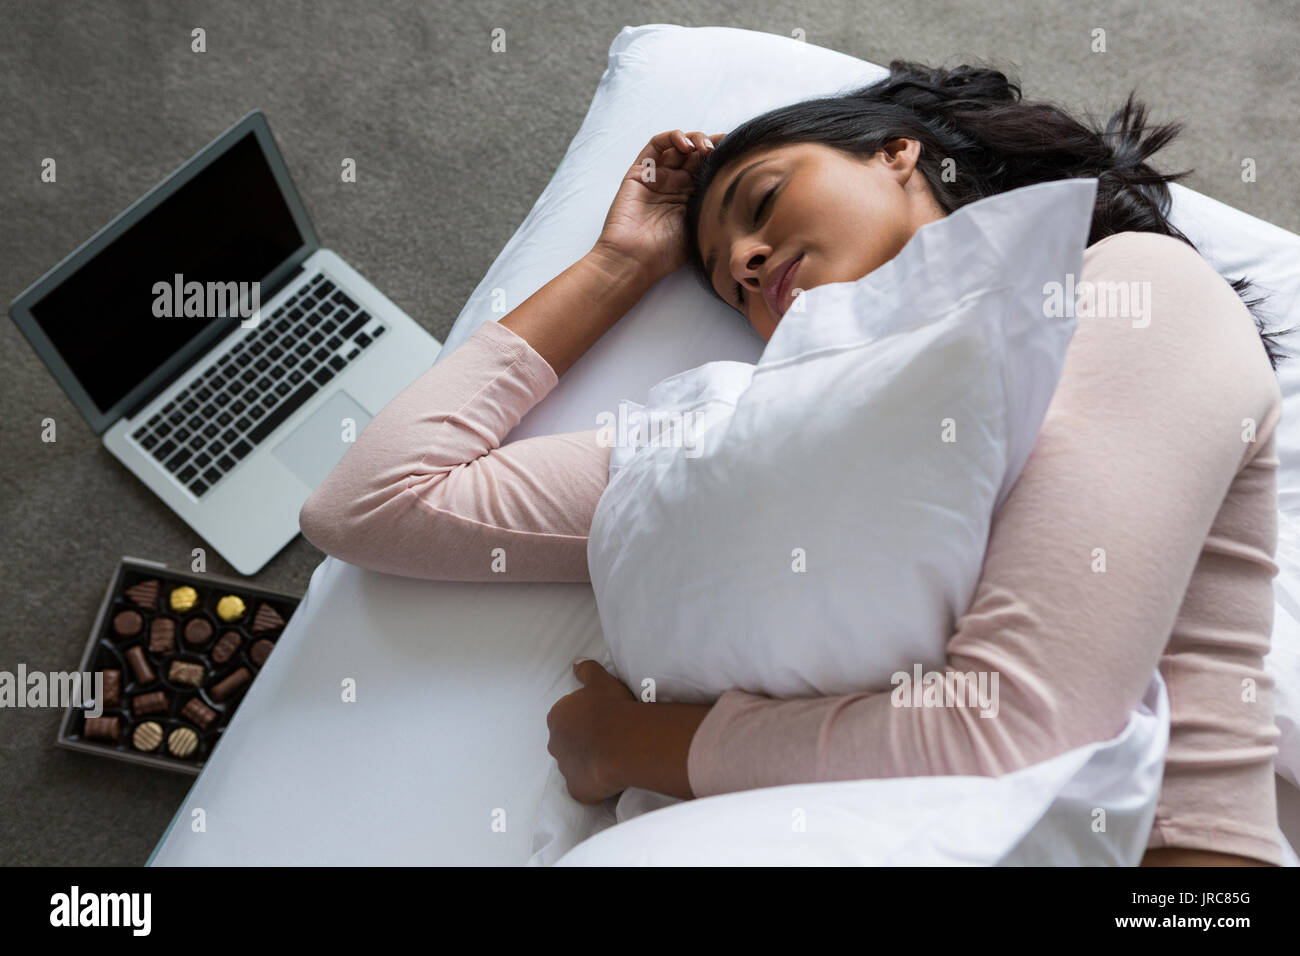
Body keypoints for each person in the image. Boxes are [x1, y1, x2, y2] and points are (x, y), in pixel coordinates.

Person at [299, 61, 1292, 866]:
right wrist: (620, 265)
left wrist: (633, 744)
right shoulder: (740, 432)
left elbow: (1010, 731)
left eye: (763, 199)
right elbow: (374, 504)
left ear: (897, 151)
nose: (742, 260)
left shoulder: (1130, 291)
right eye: (724, 284)